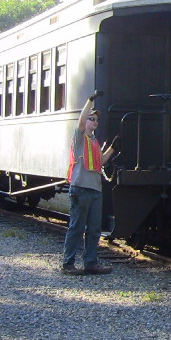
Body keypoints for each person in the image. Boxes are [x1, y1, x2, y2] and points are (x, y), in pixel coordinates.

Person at [61, 91, 116, 275]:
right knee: (76, 227)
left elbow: (101, 161)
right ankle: (67, 264)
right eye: (91, 119)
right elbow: (81, 120)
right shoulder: (79, 138)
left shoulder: (94, 141)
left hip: (95, 190)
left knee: (94, 229)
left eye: (96, 120)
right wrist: (90, 100)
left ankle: (90, 262)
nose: (94, 122)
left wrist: (114, 147)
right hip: (81, 188)